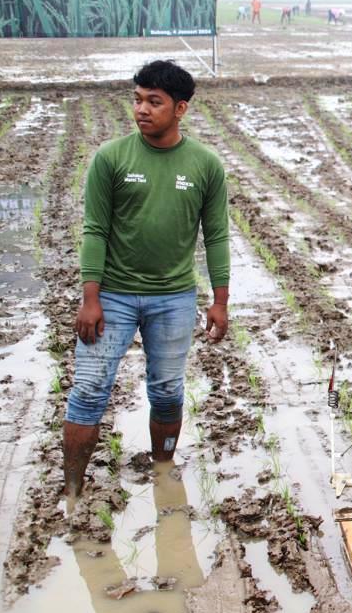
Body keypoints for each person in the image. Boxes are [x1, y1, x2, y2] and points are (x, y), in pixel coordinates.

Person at [64, 60, 230, 498]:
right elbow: (95, 230)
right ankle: (73, 491)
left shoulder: (205, 165)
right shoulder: (111, 158)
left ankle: (163, 471)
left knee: (168, 391)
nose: (141, 109)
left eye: (154, 102)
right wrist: (90, 298)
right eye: (137, 99)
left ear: (180, 108)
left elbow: (216, 236)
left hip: (173, 298)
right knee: (89, 390)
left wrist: (220, 301)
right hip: (112, 296)